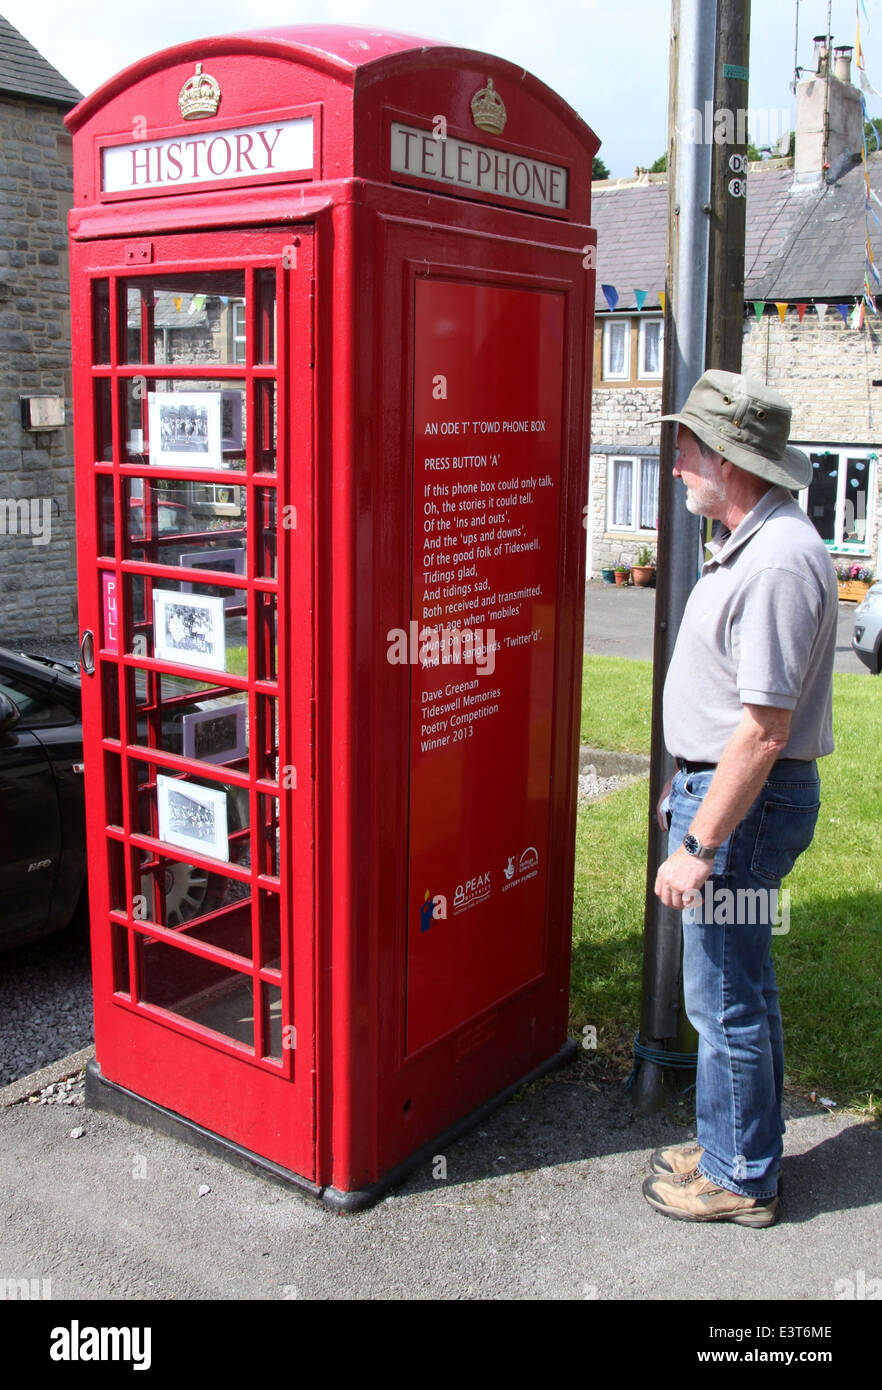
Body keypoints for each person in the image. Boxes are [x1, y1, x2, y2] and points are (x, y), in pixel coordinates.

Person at [641, 370, 838, 1227]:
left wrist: (701, 843)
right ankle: (735, 1140)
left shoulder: (780, 559)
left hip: (746, 810)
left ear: (729, 459)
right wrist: (681, 783)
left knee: (721, 996)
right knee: (737, 989)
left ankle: (741, 1177)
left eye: (686, 449)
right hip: (719, 790)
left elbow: (763, 729)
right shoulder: (754, 541)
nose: (676, 463)